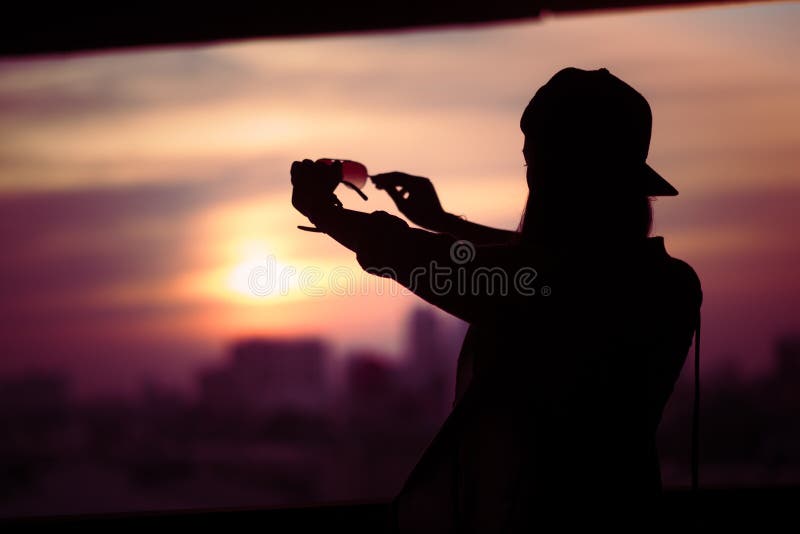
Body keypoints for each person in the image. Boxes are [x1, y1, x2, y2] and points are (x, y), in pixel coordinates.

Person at [290, 67, 703, 531]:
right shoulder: (671, 285)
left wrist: (326, 212)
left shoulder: (549, 287)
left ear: (558, 176)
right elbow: (550, 265)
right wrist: (443, 221)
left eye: (534, 165)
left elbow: (445, 261)